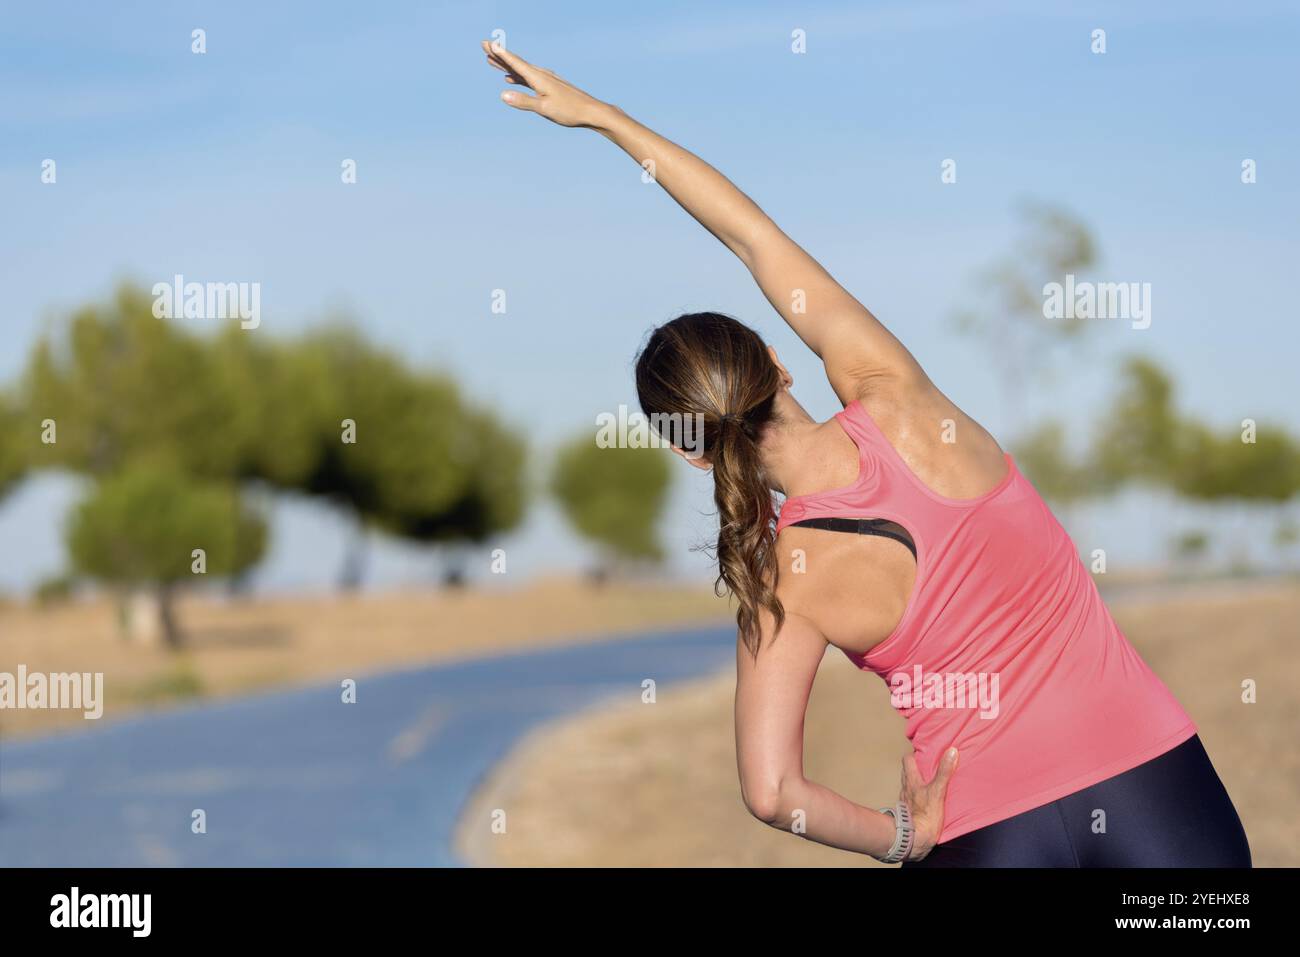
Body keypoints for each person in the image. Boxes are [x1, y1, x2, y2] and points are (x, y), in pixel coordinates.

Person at [481, 41, 1251, 867]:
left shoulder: (777, 578)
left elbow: (773, 791)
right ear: (778, 361)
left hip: (989, 835)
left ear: (694, 456)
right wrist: (600, 117)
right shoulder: (898, 397)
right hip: (1155, 794)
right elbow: (750, 236)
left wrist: (902, 835)